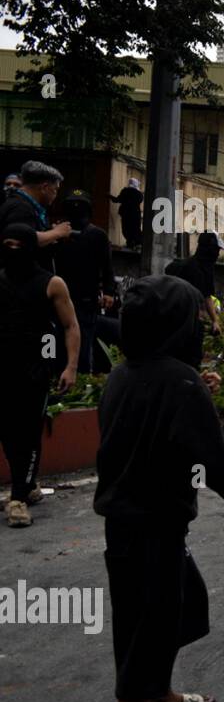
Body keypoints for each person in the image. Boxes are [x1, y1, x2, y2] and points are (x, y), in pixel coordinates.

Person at [94, 274, 224, 702]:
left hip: (133, 523)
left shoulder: (126, 374)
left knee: (179, 603)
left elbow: (153, 411)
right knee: (143, 632)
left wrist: (189, 383)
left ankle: (159, 699)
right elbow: (212, 459)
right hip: (150, 524)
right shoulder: (180, 383)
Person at [1, 223, 80, 527]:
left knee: (29, 431)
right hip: (3, 369)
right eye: (6, 244)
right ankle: (28, 484)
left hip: (36, 369)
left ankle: (18, 498)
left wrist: (70, 366)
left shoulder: (52, 284)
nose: (11, 251)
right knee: (8, 432)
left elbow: (71, 326)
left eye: (17, 245)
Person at [53, 190, 116, 373]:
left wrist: (109, 291)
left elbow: (107, 266)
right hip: (58, 299)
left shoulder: (97, 235)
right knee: (54, 343)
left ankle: (80, 379)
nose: (76, 210)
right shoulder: (57, 232)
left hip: (85, 300)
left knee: (83, 342)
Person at [0, 161, 72, 256]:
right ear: (45, 188)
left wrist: (49, 234)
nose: (56, 194)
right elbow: (20, 243)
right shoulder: (21, 208)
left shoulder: (28, 205)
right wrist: (57, 233)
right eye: (55, 189)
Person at [165, 232, 223, 334]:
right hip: (179, 323)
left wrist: (214, 321)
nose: (218, 254)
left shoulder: (201, 268)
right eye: (217, 250)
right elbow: (204, 298)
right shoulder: (197, 270)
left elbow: (207, 296)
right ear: (210, 250)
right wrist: (212, 321)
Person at [109, 178, 145, 250]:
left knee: (126, 229)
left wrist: (109, 196)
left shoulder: (125, 191)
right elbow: (140, 200)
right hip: (135, 215)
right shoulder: (139, 194)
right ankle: (137, 243)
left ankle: (130, 243)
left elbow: (117, 200)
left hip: (126, 214)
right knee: (135, 229)